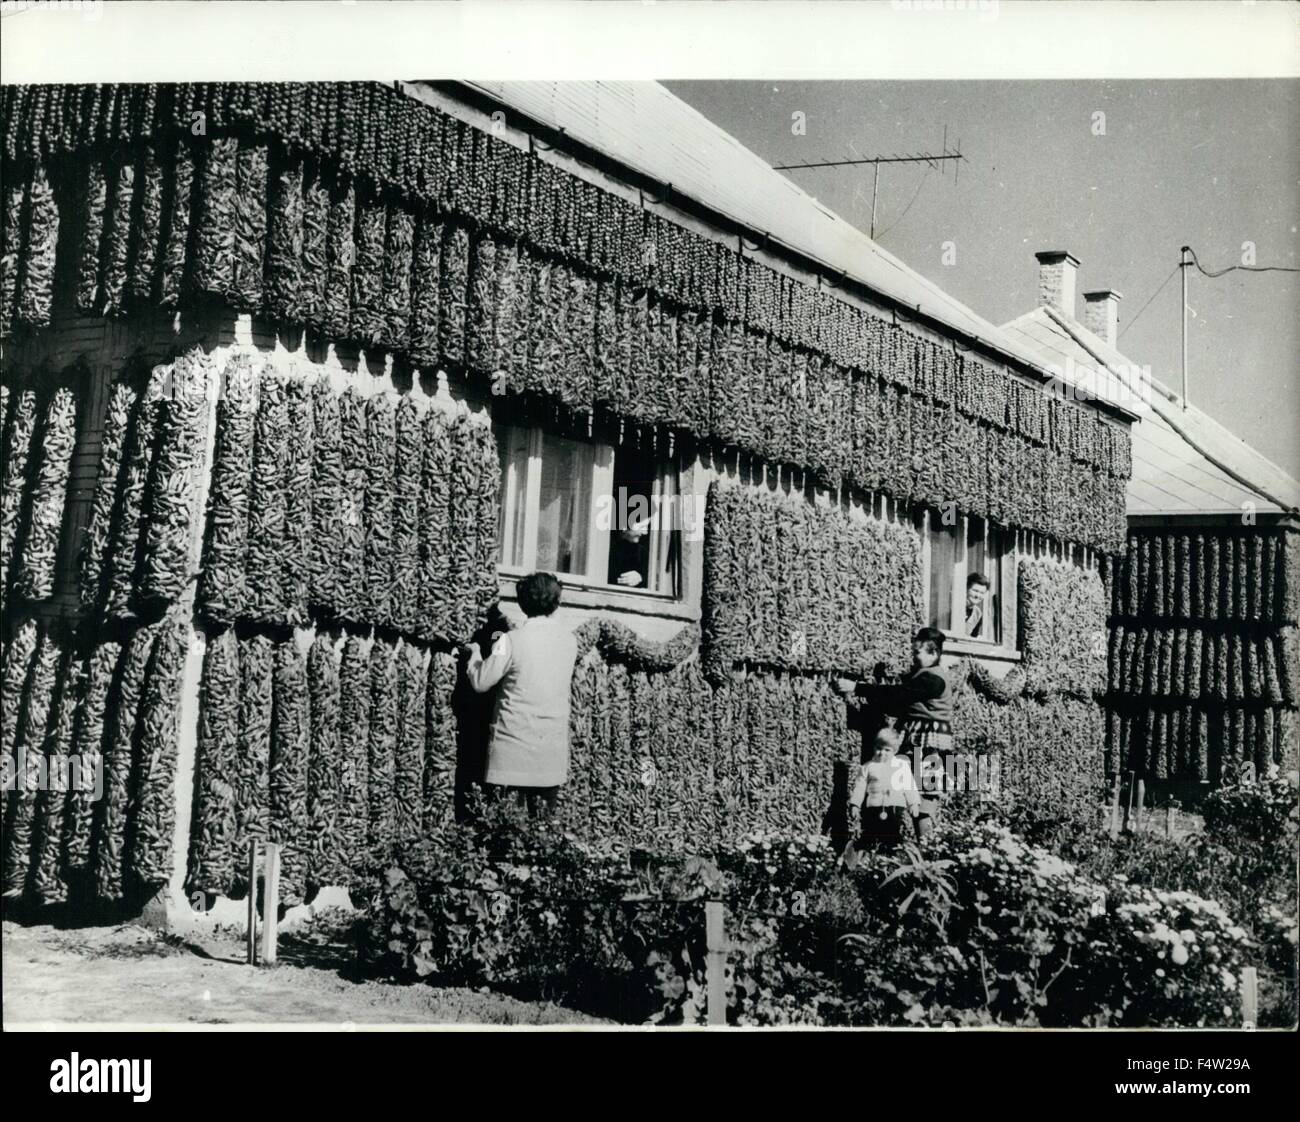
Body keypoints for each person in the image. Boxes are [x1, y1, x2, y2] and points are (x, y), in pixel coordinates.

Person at [463, 572, 578, 819]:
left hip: (512, 749)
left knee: (504, 826)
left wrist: (473, 655)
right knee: (544, 827)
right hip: (549, 748)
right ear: (556, 604)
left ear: (522, 603)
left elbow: (481, 682)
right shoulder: (569, 642)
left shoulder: (510, 640)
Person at [835, 627, 954, 836]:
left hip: (929, 741)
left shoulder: (933, 679)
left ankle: (927, 851)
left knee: (925, 795)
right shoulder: (922, 675)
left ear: (933, 653)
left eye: (918, 653)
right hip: (916, 736)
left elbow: (899, 695)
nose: (914, 657)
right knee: (903, 787)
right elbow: (896, 703)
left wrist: (857, 688)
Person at [845, 728, 921, 856]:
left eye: (887, 750)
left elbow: (909, 785)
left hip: (895, 807)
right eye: (879, 748)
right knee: (872, 833)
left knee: (892, 834)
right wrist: (855, 804)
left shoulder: (901, 765)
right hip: (873, 807)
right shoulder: (867, 767)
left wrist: (913, 803)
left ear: (895, 751)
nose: (882, 753)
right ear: (874, 747)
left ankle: (891, 857)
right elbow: (859, 787)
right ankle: (871, 858)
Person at [607, 509, 651, 588]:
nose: (645, 532)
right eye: (642, 526)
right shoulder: (606, 548)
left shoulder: (643, 552)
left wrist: (640, 578)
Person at [965, 572, 991, 639]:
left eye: (982, 593)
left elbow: (973, 637)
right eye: (975, 591)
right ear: (967, 589)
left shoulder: (978, 614)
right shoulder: (955, 606)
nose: (978, 596)